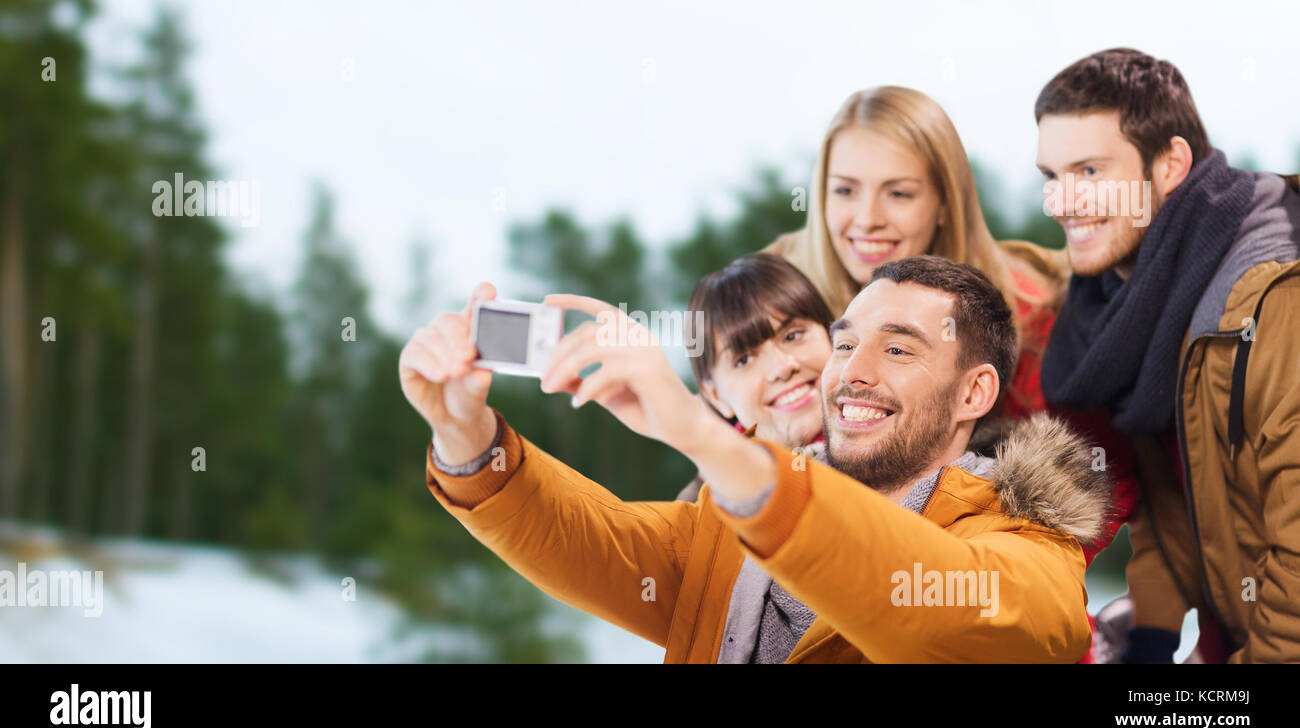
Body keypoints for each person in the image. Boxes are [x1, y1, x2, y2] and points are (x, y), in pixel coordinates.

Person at [400, 257, 1109, 663]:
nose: (848, 373)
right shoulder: (721, 525)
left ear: (974, 392)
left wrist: (702, 436)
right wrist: (466, 432)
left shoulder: (1029, 549)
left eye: (897, 348)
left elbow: (944, 606)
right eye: (842, 342)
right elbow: (588, 541)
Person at [1034, 48, 1300, 663]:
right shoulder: (1139, 307)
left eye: (1090, 172)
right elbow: (1177, 499)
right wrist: (1151, 641)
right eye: (1050, 176)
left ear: (1171, 164)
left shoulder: (1271, 305)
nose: (1062, 203)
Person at [761, 86, 1067, 422]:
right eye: (845, 190)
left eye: (899, 193)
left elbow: (1092, 464)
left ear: (945, 205)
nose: (867, 220)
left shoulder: (1027, 319)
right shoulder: (774, 302)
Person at [675, 253, 834, 502]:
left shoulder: (905, 448)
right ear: (716, 397)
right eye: (744, 359)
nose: (781, 368)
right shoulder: (699, 515)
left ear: (833, 334)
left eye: (792, 336)